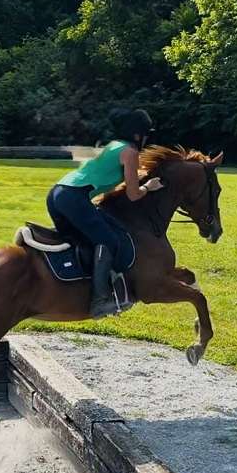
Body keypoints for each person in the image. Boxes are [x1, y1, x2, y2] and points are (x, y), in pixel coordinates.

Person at [46, 109, 164, 317]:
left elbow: (109, 173)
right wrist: (149, 186)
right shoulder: (130, 152)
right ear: (138, 135)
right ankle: (100, 301)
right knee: (109, 240)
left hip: (56, 194)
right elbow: (134, 195)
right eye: (146, 135)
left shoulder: (113, 146)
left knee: (87, 237)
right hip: (74, 198)